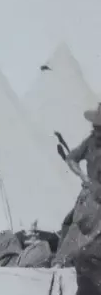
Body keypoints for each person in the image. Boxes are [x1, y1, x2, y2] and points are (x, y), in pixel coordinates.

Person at [55, 105, 101, 265]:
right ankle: (61, 262)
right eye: (95, 126)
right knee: (74, 228)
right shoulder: (90, 141)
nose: (96, 130)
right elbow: (71, 159)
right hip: (90, 196)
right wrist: (84, 177)